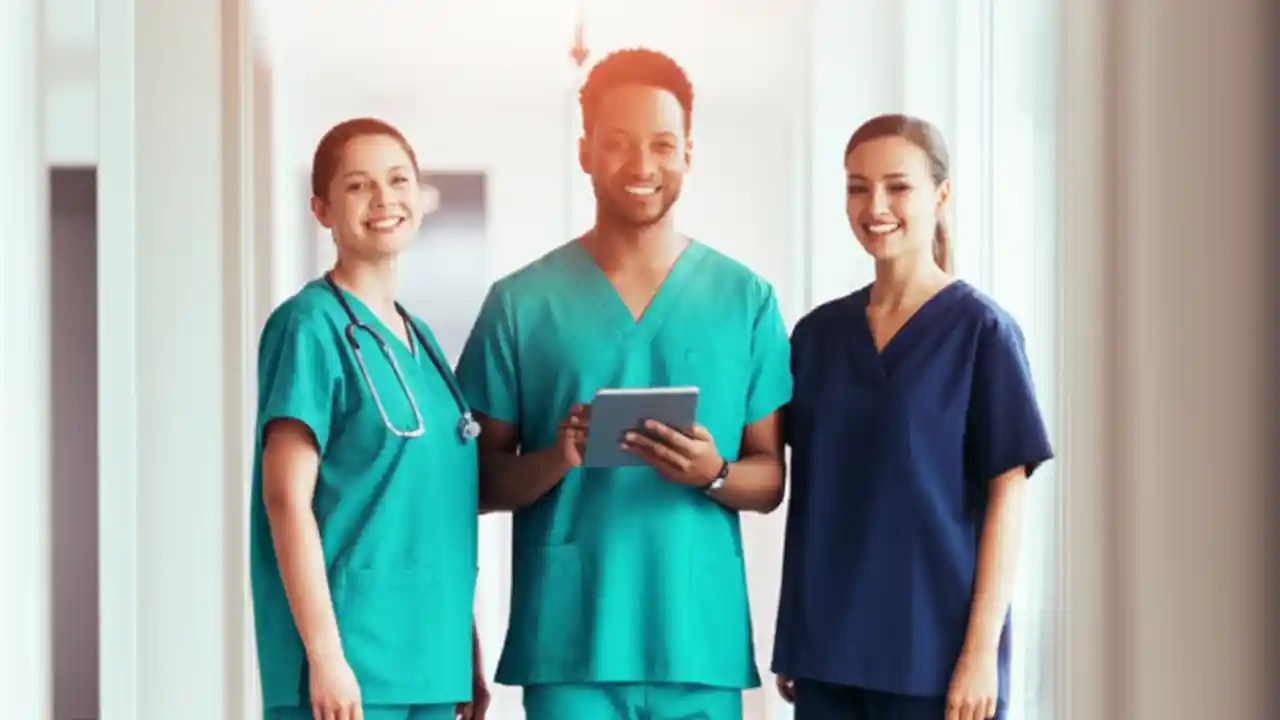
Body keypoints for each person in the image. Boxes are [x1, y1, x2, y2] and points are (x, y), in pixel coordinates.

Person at [454, 48, 794, 720]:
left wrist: (712, 472)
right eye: (618, 145)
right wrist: (557, 458)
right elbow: (475, 481)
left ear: (689, 153)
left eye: (663, 145)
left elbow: (769, 479)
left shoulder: (745, 301)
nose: (642, 167)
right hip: (571, 642)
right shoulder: (521, 305)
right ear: (585, 152)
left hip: (696, 642)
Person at [771, 114, 1054, 720]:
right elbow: (815, 494)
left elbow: (1008, 497)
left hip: (935, 655)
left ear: (940, 196)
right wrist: (797, 634)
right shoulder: (816, 337)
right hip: (827, 652)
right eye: (857, 186)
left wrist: (981, 653)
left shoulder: (983, 332)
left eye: (898, 186)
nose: (876, 205)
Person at [249, 117, 490, 720]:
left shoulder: (425, 343)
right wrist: (327, 660)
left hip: (433, 665)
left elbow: (434, 511)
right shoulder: (309, 326)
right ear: (322, 209)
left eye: (398, 180)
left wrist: (467, 651)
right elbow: (285, 499)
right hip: (351, 667)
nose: (384, 199)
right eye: (358, 186)